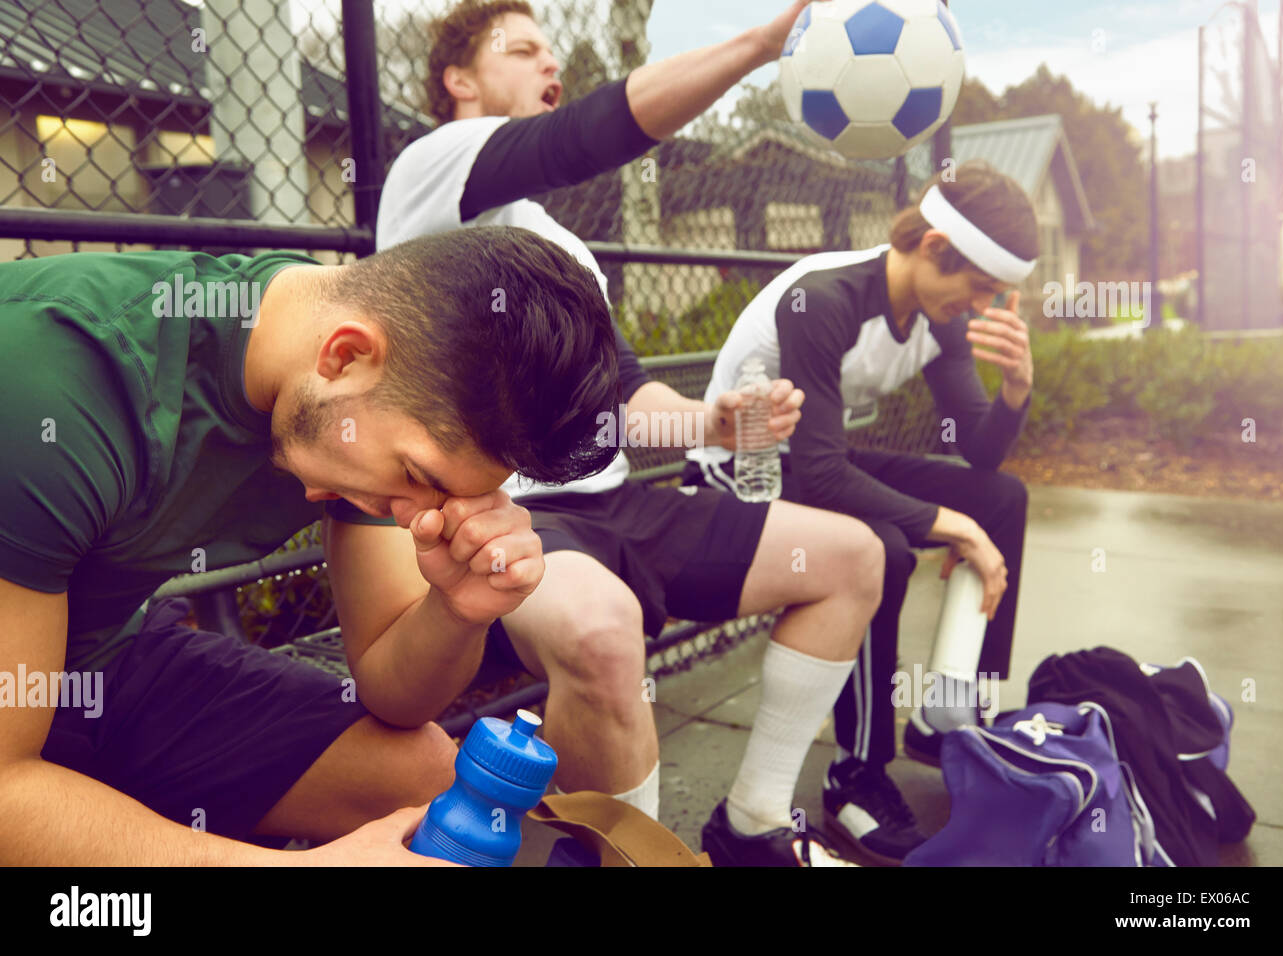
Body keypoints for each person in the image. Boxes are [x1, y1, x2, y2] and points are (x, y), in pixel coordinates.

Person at [364, 0, 885, 865]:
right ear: (458, 81)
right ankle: (612, 859)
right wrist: (762, 44)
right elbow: (578, 138)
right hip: (512, 524)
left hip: (623, 512)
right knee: (604, 630)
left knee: (851, 557)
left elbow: (623, 394)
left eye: (551, 52)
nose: (547, 64)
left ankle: (753, 822)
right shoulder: (431, 174)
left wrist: (710, 422)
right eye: (522, 49)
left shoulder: (562, 244)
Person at [0, 226, 623, 864]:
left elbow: (393, 693)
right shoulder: (56, 377)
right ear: (344, 356)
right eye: (418, 479)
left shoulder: (364, 387)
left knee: (422, 782)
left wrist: (458, 609)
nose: (417, 519)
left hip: (98, 657)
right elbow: (4, 788)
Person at [686, 162, 1037, 863]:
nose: (980, 306)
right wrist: (951, 526)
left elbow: (981, 458)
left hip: (808, 462)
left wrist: (1017, 390)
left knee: (1003, 500)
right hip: (739, 473)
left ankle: (948, 712)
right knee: (883, 546)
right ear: (936, 247)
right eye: (977, 288)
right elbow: (818, 474)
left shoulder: (935, 319)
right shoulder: (826, 298)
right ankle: (857, 775)